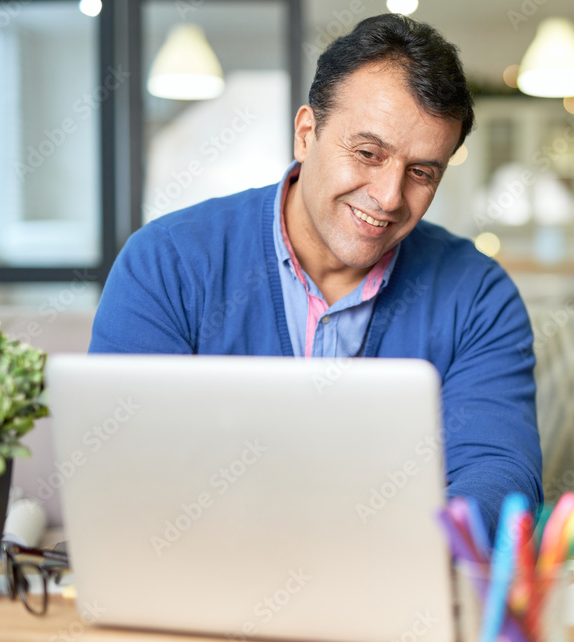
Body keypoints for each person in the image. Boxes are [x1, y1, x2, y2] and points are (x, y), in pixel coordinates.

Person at [89, 14, 542, 533]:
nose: (389, 197)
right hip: (203, 578)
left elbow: (499, 474)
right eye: (368, 153)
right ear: (307, 134)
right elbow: (122, 468)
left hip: (391, 589)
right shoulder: (166, 263)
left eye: (421, 173)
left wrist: (405, 552)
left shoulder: (479, 295)